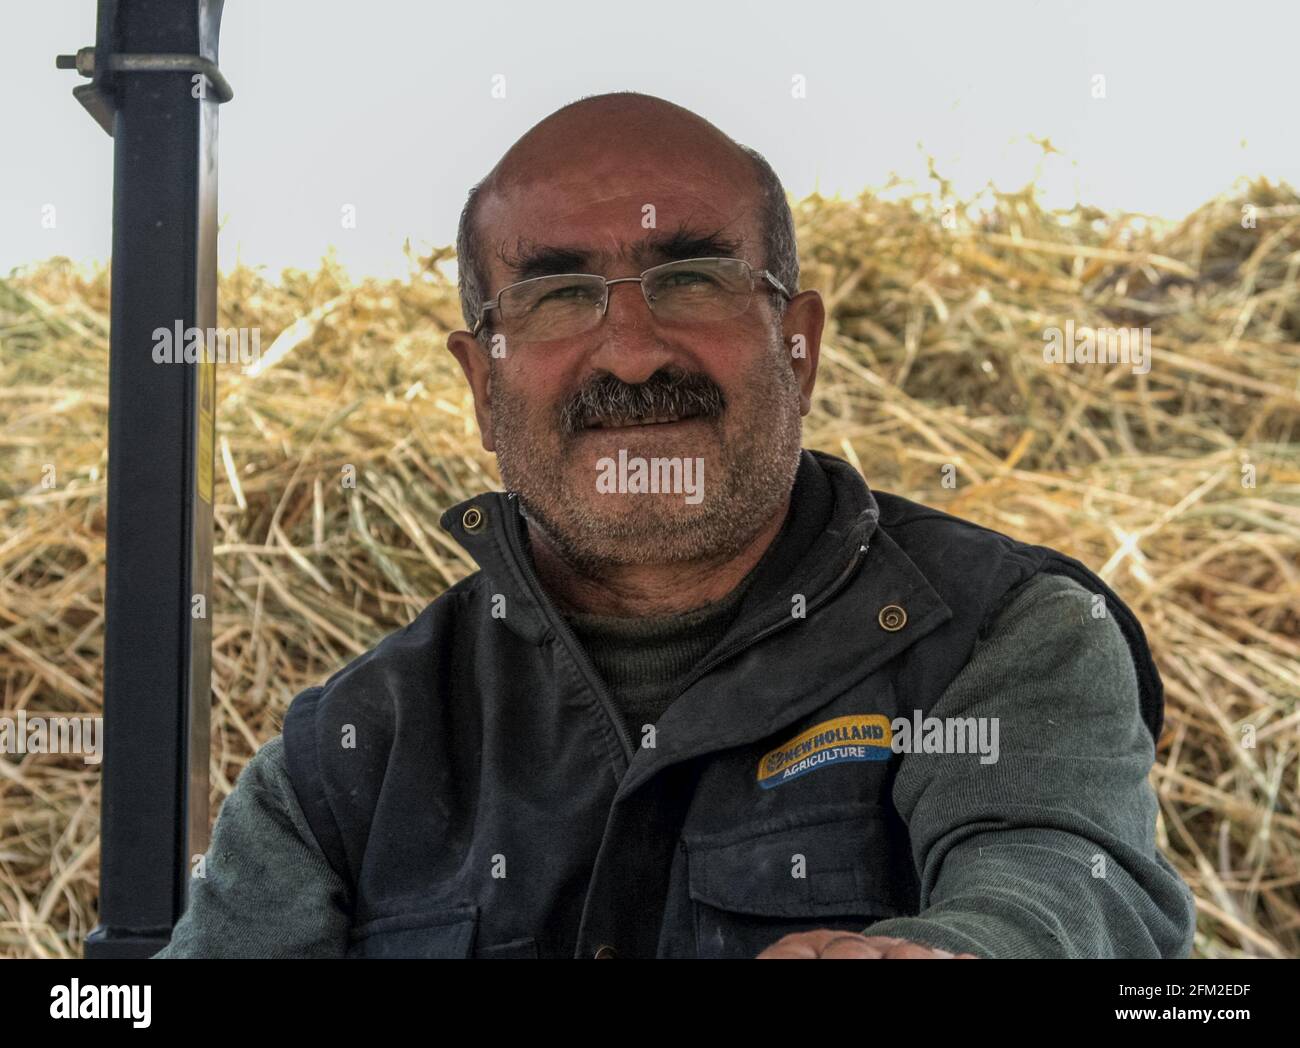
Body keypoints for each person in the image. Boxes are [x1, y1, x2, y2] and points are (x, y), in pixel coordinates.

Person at [154, 91, 1195, 959]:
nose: (633, 353)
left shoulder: (999, 635)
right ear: (481, 386)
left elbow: (1060, 880)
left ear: (798, 346)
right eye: (558, 294)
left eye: (690, 278)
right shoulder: (350, 751)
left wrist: (958, 950)